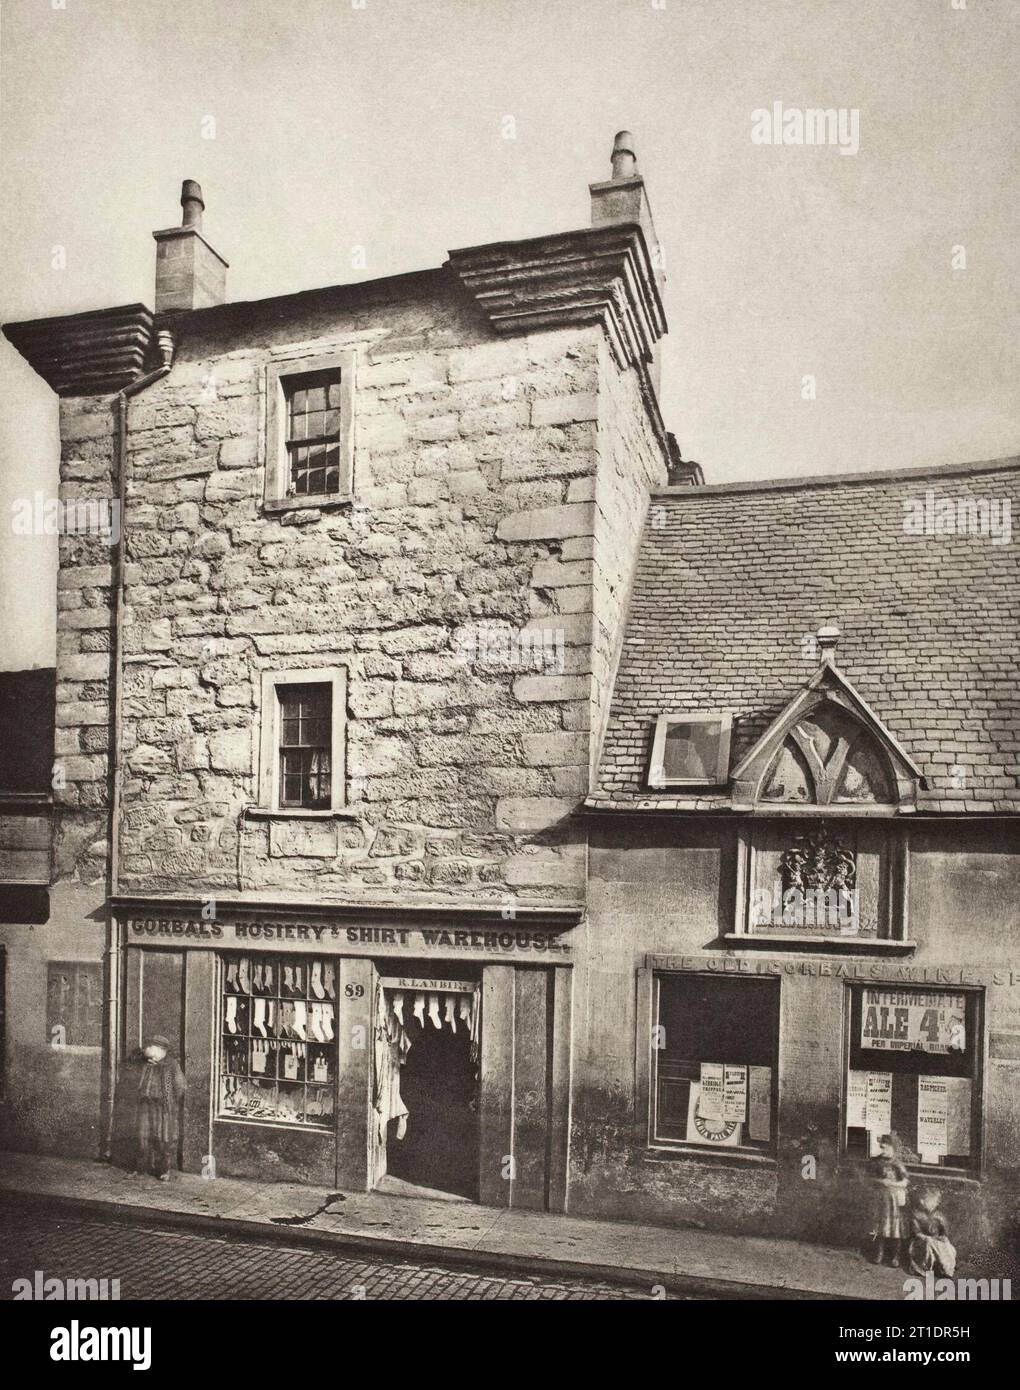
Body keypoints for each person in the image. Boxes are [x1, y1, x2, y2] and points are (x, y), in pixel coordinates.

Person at [134, 1035, 186, 1180]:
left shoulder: (171, 1065)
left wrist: (170, 1101)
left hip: (162, 1108)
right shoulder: (144, 1064)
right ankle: (140, 1168)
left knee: (164, 1137)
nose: (145, 1049)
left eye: (148, 1047)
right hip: (145, 1104)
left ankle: (165, 1170)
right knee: (142, 1136)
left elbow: (180, 1086)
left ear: (158, 1049)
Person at [867, 1133, 909, 1266]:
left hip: (896, 1199)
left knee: (896, 1228)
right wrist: (881, 1181)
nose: (883, 1150)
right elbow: (869, 1178)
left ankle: (895, 1256)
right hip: (881, 1198)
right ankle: (879, 1253)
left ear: (892, 1148)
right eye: (882, 1147)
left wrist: (893, 1184)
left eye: (886, 1147)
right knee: (881, 1226)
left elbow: (905, 1181)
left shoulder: (897, 1164)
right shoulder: (876, 1162)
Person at [908, 1187, 957, 1277]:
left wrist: (943, 1236)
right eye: (922, 1200)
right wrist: (927, 1237)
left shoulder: (939, 1216)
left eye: (928, 1200)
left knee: (947, 1246)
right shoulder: (917, 1215)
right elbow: (916, 1233)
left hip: (935, 1241)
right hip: (921, 1242)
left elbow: (944, 1233)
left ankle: (946, 1267)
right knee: (929, 1244)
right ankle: (926, 1267)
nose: (922, 1202)